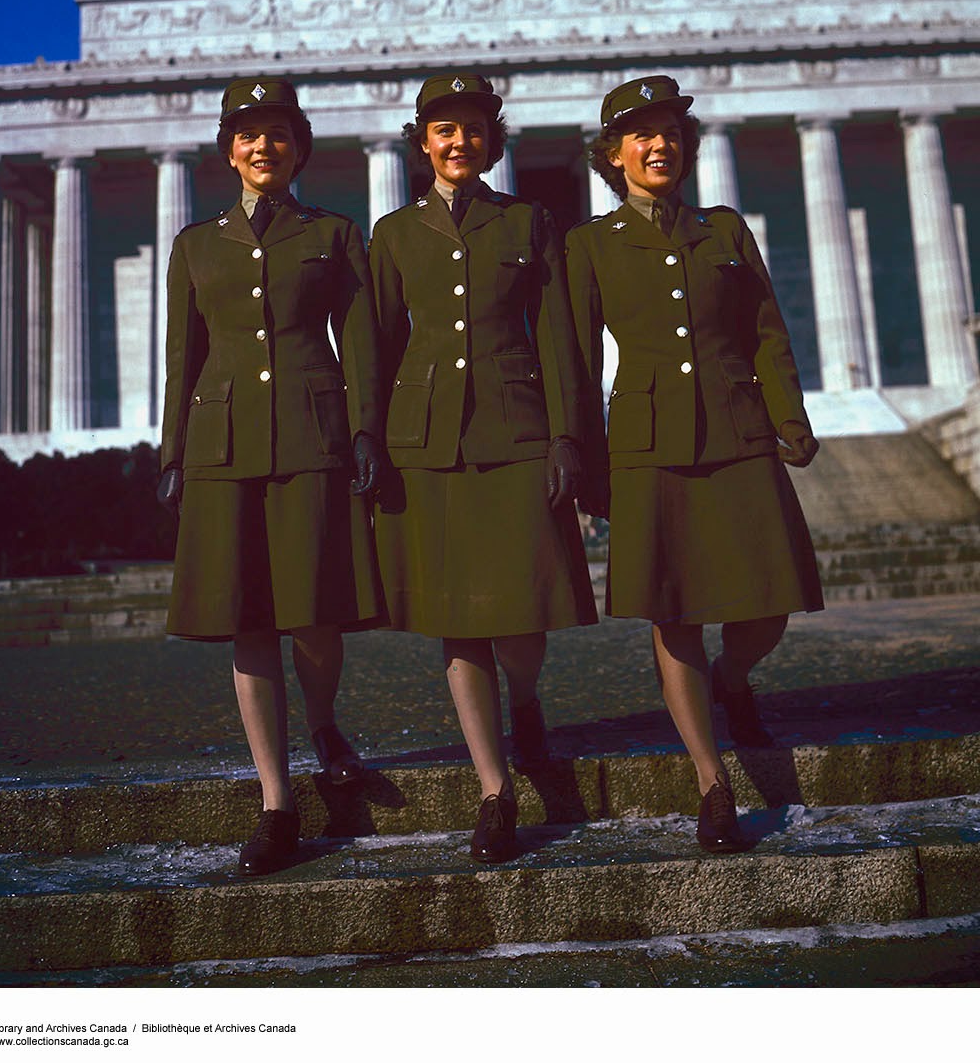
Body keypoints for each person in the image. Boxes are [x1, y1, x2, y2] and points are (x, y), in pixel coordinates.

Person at [566, 75, 823, 853]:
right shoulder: (590, 244)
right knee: (673, 613)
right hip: (647, 445)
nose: (658, 146)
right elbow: (578, 365)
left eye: (670, 133)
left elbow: (764, 331)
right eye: (640, 136)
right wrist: (585, 466)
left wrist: (790, 411)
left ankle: (733, 680)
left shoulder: (724, 230)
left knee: (770, 601)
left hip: (739, 428)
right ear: (613, 155)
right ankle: (712, 782)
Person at [158, 77, 385, 878]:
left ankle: (322, 721)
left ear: (297, 149)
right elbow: (181, 357)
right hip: (222, 448)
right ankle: (277, 803)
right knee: (248, 620)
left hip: (313, 436)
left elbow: (359, 345)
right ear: (229, 151)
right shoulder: (195, 243)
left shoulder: (332, 233)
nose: (263, 147)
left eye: (278, 135)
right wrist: (172, 453)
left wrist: (366, 431)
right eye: (248, 135)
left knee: (316, 613)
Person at [369, 72, 597, 863]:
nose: (458, 142)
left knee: (523, 616)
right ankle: (495, 789)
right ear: (423, 142)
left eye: (472, 130)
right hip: (427, 446)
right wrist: (370, 438)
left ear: (490, 143)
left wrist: (569, 438)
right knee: (457, 623)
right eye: (444, 130)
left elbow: (560, 338)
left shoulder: (531, 221)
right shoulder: (393, 234)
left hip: (517, 432)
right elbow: (379, 345)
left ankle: (526, 698)